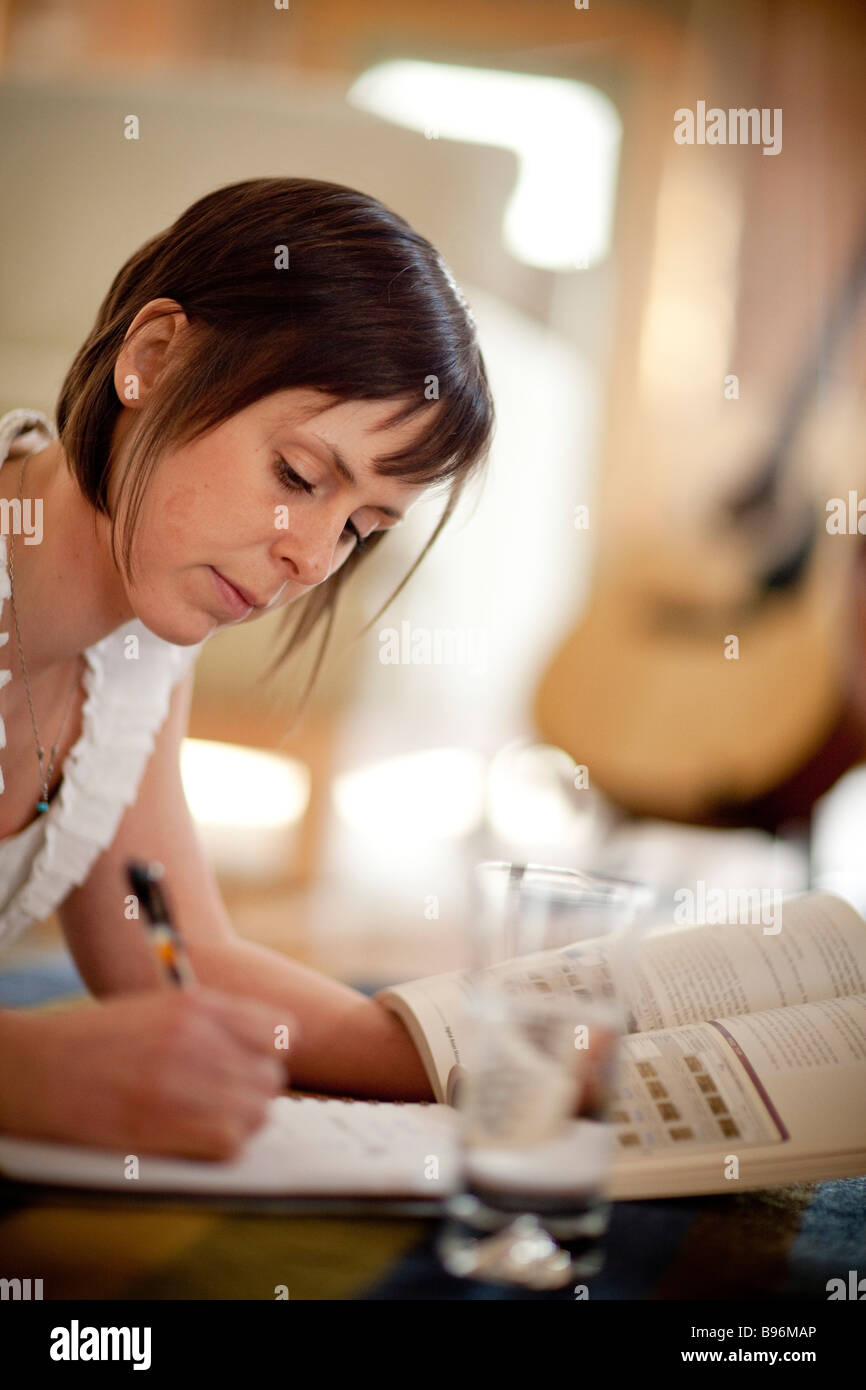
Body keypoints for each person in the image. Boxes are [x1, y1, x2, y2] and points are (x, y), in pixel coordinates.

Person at [0, 176, 495, 1159]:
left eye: (359, 527)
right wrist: (31, 1072)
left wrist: (473, 1052)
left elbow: (174, 950)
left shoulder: (136, 655)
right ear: (151, 358)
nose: (312, 562)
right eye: (299, 476)